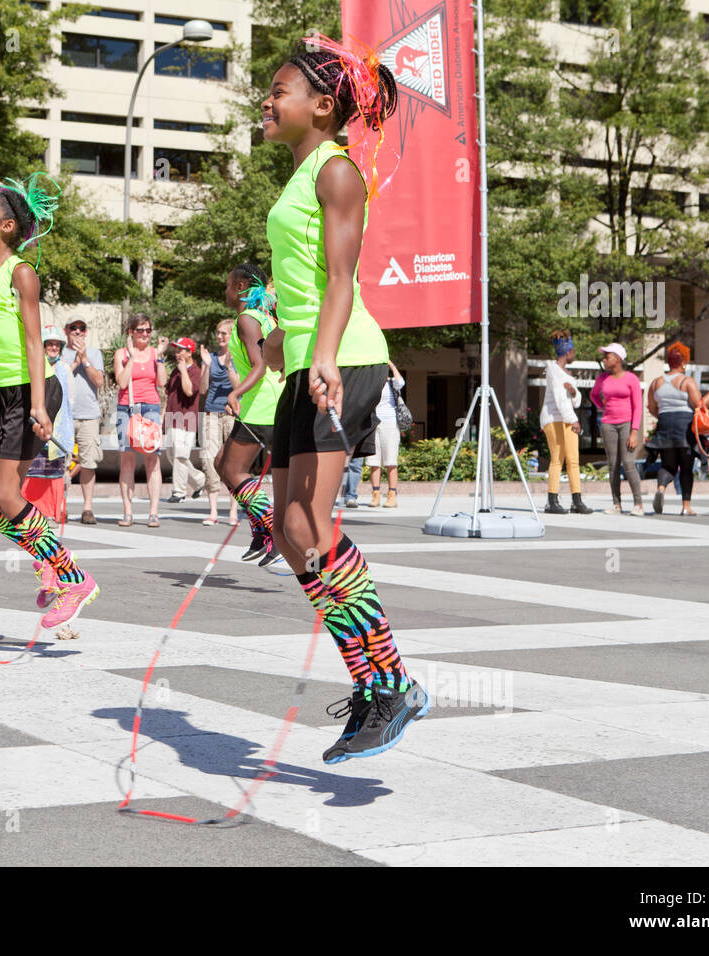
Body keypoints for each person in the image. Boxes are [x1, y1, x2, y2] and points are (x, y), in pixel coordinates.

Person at [260, 37, 428, 763]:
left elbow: (339, 280)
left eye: (280, 90)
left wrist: (322, 353)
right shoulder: (299, 178)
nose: (267, 101)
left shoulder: (336, 172)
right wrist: (279, 342)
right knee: (288, 528)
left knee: (310, 522)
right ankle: (374, 681)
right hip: (304, 360)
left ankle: (390, 681)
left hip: (346, 356)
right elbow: (300, 285)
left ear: (323, 107)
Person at [0, 173, 97, 630]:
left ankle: (73, 576)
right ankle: (47, 556)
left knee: (8, 494)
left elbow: (34, 343)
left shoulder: (20, 273)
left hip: (33, 390)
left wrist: (40, 406)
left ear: (6, 226)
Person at [215, 263, 283, 566]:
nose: (226, 291)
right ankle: (262, 529)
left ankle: (271, 527)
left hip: (260, 405)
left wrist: (235, 392)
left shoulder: (246, 319)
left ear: (241, 286)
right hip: (265, 403)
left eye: (229, 285)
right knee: (221, 462)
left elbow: (259, 364)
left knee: (232, 470)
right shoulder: (265, 317)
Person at [30, 325, 77, 606]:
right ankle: (52, 568)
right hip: (33, 444)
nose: (54, 348)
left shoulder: (66, 371)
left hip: (55, 445)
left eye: (58, 345)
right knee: (26, 513)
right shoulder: (33, 367)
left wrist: (67, 445)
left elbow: (68, 408)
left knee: (44, 516)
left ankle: (54, 572)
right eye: (49, 344)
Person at [646, 341, 709, 516]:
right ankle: (686, 506)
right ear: (683, 363)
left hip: (664, 425)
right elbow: (700, 406)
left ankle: (661, 488)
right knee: (686, 467)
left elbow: (651, 407)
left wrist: (663, 417)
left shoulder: (656, 383)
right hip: (685, 426)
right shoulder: (687, 381)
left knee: (668, 465)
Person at [112, 313, 167, 528]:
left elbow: (161, 382)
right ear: (131, 332)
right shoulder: (121, 354)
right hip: (127, 408)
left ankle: (153, 513)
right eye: (140, 330)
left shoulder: (155, 354)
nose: (145, 334)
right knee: (127, 460)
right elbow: (122, 383)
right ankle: (128, 511)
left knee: (153, 460)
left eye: (148, 330)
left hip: (150, 408)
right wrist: (132, 358)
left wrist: (161, 358)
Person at [540, 329, 591, 514]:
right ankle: (551, 501)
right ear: (566, 352)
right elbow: (559, 399)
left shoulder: (568, 374)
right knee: (557, 459)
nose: (574, 354)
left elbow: (575, 401)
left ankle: (577, 501)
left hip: (567, 419)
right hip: (553, 418)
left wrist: (573, 392)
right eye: (573, 350)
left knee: (573, 460)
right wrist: (574, 420)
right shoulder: (553, 370)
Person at [590, 342, 644, 516]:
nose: (604, 359)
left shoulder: (631, 379)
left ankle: (638, 504)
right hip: (608, 424)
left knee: (628, 463)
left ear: (618, 358)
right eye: (604, 356)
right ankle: (616, 504)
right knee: (613, 465)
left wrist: (634, 431)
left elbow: (638, 407)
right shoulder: (602, 379)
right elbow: (593, 395)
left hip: (627, 424)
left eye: (608, 356)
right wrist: (603, 408)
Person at [59, 317, 104, 524]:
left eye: (81, 328)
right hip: (64, 416)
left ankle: (87, 508)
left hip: (89, 416)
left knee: (88, 463)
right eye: (73, 328)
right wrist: (75, 361)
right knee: (61, 464)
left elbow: (99, 381)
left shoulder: (95, 353)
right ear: (65, 330)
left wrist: (84, 359)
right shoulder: (57, 352)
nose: (77, 331)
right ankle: (60, 506)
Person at [198, 321, 239, 525]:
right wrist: (206, 365)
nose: (220, 336)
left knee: (231, 460)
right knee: (208, 458)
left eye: (224, 333)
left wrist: (229, 365)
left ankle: (232, 511)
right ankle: (213, 511)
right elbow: (203, 389)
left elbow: (239, 387)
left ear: (232, 335)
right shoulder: (211, 357)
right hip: (212, 413)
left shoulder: (239, 357)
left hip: (232, 413)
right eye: (218, 333)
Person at [163, 337, 208, 509]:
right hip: (172, 418)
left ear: (190, 352)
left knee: (181, 455)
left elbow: (189, 391)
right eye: (176, 349)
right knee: (172, 456)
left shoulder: (195, 371)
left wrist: (183, 371)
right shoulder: (175, 370)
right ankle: (199, 479)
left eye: (181, 350)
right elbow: (169, 394)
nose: (177, 353)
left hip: (186, 419)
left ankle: (179, 492)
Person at [365, 365, 405, 507]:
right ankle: (375, 495)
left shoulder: (391, 383)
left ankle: (392, 495)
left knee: (390, 461)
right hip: (374, 423)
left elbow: (401, 382)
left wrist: (392, 365)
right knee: (373, 462)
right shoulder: (371, 382)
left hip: (390, 423)